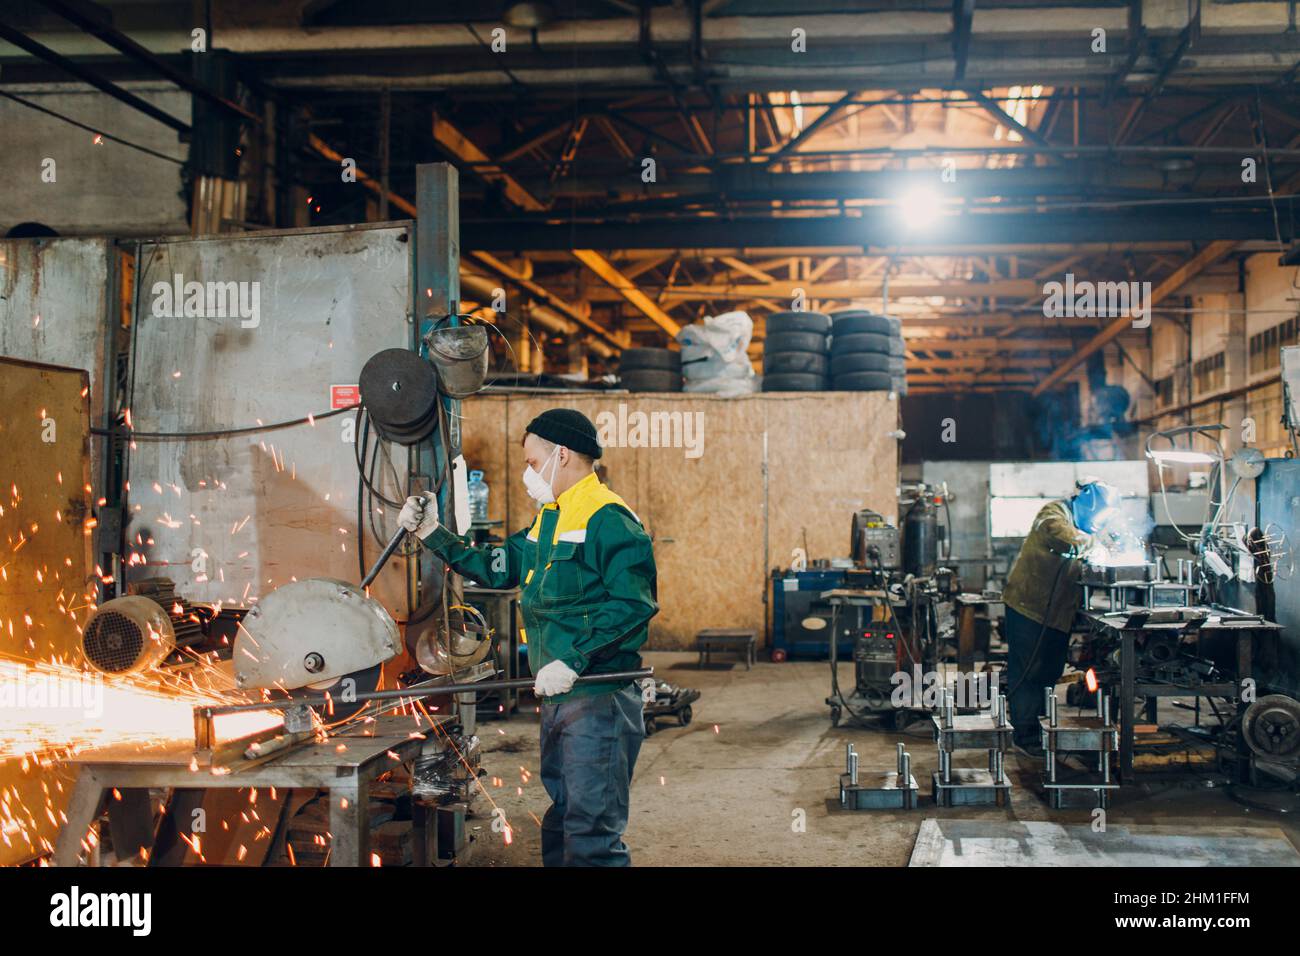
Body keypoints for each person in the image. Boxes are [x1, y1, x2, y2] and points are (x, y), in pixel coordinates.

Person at [398, 408, 657, 866]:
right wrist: (432, 533)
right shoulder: (551, 518)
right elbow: (498, 565)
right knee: (562, 819)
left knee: (590, 832)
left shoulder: (609, 518)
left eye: (534, 463)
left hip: (598, 697)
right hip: (559, 696)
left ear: (562, 454)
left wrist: (574, 660)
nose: (529, 475)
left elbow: (632, 606)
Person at [1001, 478, 1119, 756]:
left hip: (1057, 614)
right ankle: (1025, 734)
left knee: (1049, 671)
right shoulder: (1053, 515)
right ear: (1088, 503)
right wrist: (1097, 545)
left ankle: (1039, 725)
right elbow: (1062, 537)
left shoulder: (1084, 528)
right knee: (1029, 670)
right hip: (1028, 608)